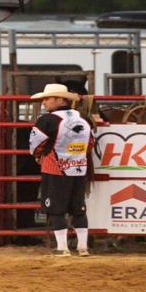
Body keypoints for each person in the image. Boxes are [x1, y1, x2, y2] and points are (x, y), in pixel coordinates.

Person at [27, 83, 95, 257]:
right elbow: (90, 144)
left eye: (47, 99)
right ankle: (82, 247)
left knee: (56, 209)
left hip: (55, 169)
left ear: (59, 99)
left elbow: (35, 145)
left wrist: (38, 155)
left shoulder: (47, 120)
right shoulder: (84, 119)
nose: (44, 103)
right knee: (78, 208)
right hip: (79, 168)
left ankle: (63, 247)